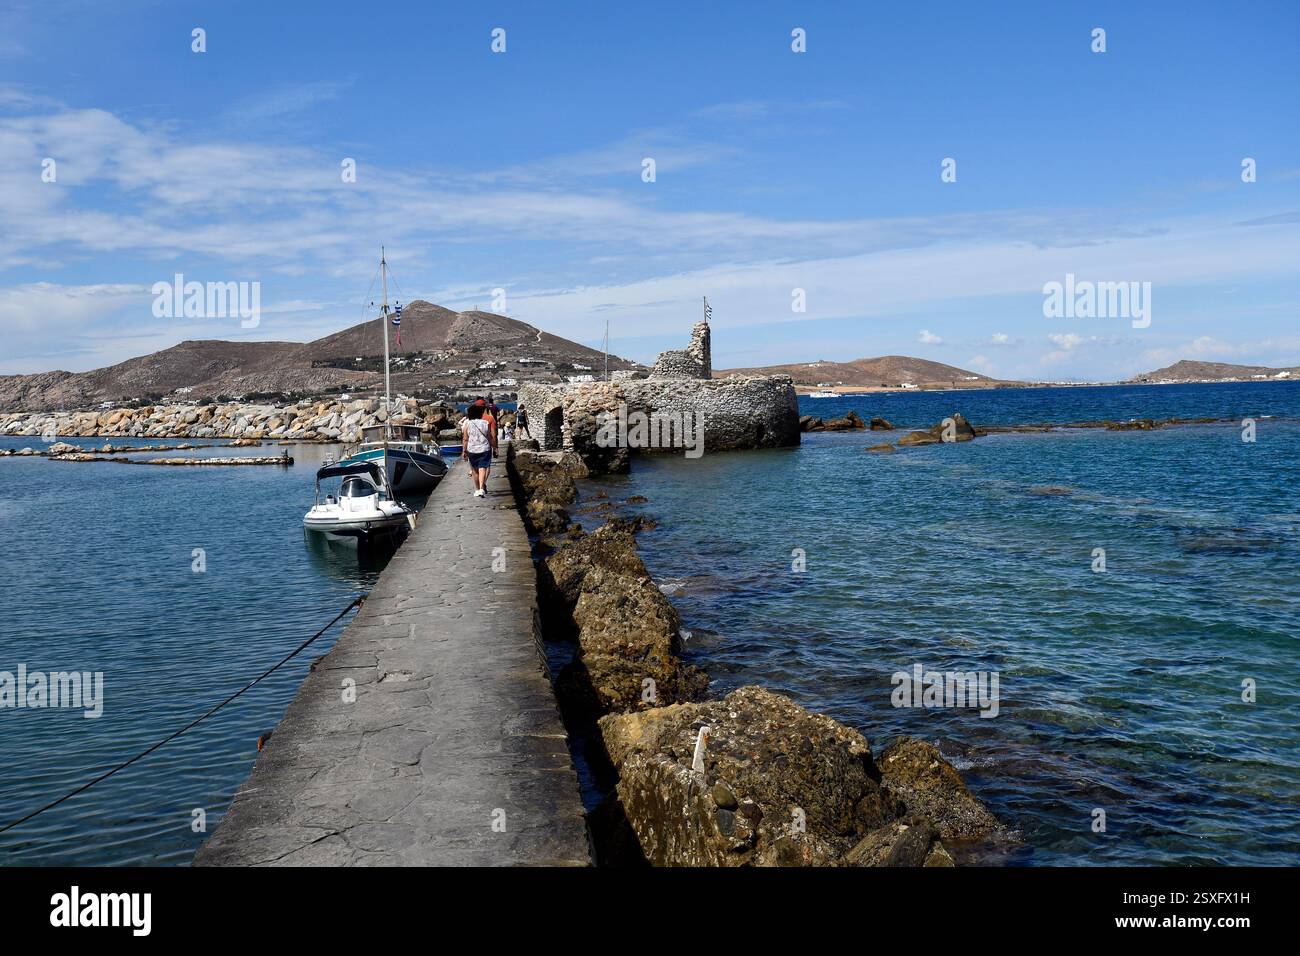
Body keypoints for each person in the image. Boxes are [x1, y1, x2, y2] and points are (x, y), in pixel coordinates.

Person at [461, 404, 496, 497]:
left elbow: (465, 439)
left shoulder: (467, 424)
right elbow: (489, 436)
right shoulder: (485, 423)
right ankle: (481, 488)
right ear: (480, 413)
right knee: (483, 467)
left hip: (472, 449)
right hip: (485, 448)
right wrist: (494, 446)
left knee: (474, 470)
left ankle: (477, 489)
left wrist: (464, 451)